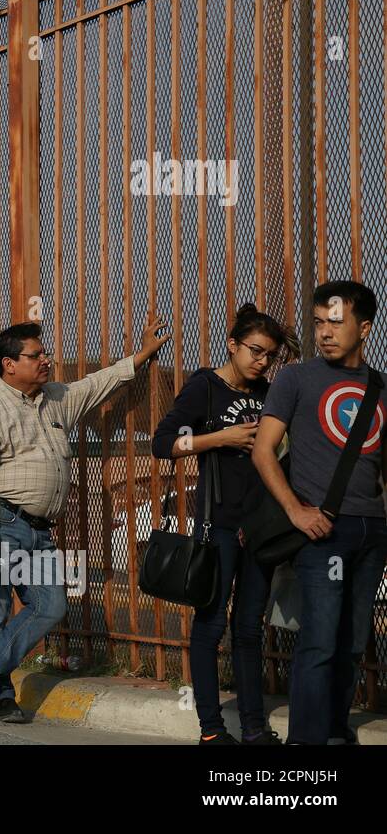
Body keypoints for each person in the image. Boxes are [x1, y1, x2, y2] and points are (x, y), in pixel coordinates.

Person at [0, 315, 168, 719]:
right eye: (36, 355)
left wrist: (141, 353)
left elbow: (98, 383)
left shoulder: (54, 397)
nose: (46, 360)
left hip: (38, 530)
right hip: (0, 521)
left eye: (45, 354)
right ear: (9, 364)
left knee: (50, 606)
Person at [252, 280, 387, 745]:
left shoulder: (380, 386)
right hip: (323, 529)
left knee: (351, 644)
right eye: (317, 323)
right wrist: (296, 510)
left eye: (336, 321)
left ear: (364, 327)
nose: (324, 332)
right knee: (321, 641)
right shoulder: (296, 379)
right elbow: (264, 451)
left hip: (372, 530)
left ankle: (334, 731)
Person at [152, 304, 293, 745]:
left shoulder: (270, 393)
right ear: (231, 345)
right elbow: (161, 443)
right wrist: (221, 438)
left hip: (261, 529)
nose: (262, 361)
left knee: (249, 628)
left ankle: (254, 728)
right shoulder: (204, 388)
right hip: (219, 525)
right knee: (211, 624)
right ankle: (212, 730)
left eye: (270, 355)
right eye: (255, 350)